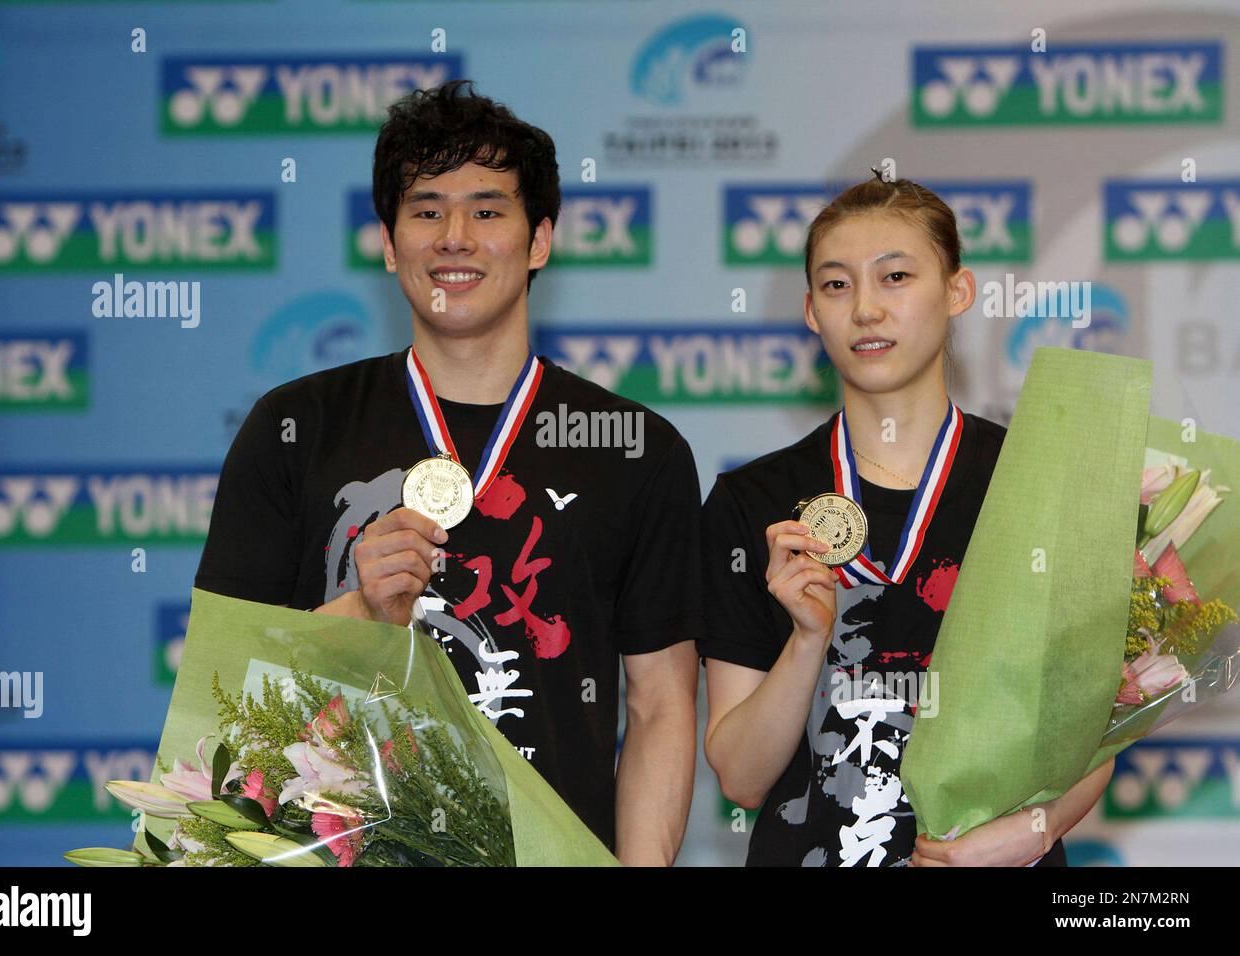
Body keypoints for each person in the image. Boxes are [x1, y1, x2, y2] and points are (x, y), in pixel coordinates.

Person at [194, 79, 700, 865]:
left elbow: (663, 706)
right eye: (426, 210)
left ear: (539, 240)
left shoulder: (637, 448)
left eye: (488, 210)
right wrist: (360, 611)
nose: (454, 237)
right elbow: (221, 692)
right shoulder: (295, 428)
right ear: (390, 244)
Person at [699, 173, 1114, 867]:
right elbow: (741, 777)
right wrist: (806, 642)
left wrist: (1030, 833)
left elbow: (1099, 726)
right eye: (836, 286)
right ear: (809, 311)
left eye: (895, 277)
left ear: (957, 291)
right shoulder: (753, 502)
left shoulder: (1038, 481)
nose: (865, 309)